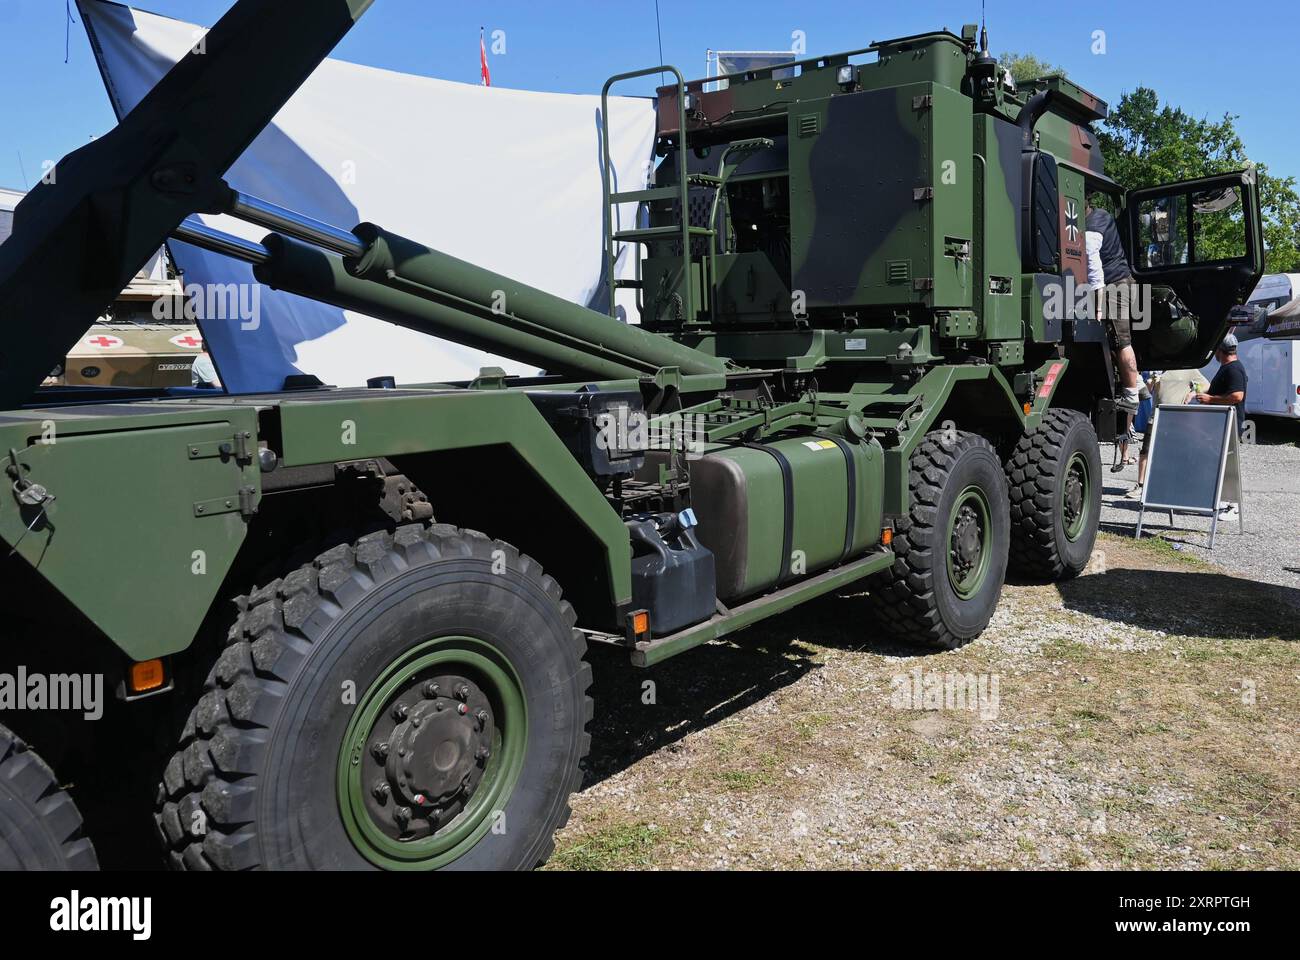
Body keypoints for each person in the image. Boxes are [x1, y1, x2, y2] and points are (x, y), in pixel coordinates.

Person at [1085, 200, 1141, 412]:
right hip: (1123, 280)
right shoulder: (1101, 214)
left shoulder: (1091, 229)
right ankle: (1140, 385)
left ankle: (1131, 396)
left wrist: (1098, 307)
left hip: (1114, 285)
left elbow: (1095, 274)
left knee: (1121, 341)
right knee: (1114, 338)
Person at [1124, 368, 1205, 499]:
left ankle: (1177, 485)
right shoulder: (1156, 369)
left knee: (1177, 452)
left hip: (1177, 418)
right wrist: (1151, 382)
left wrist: (1192, 393)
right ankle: (1141, 485)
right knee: (1146, 450)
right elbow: (1148, 392)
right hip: (1155, 415)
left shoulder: (1188, 368)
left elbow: (1206, 385)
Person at [1196, 333, 1248, 435]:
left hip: (1228, 426)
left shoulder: (1233, 369)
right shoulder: (1228, 367)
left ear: (1220, 350)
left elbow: (1237, 396)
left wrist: (1210, 399)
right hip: (1221, 424)